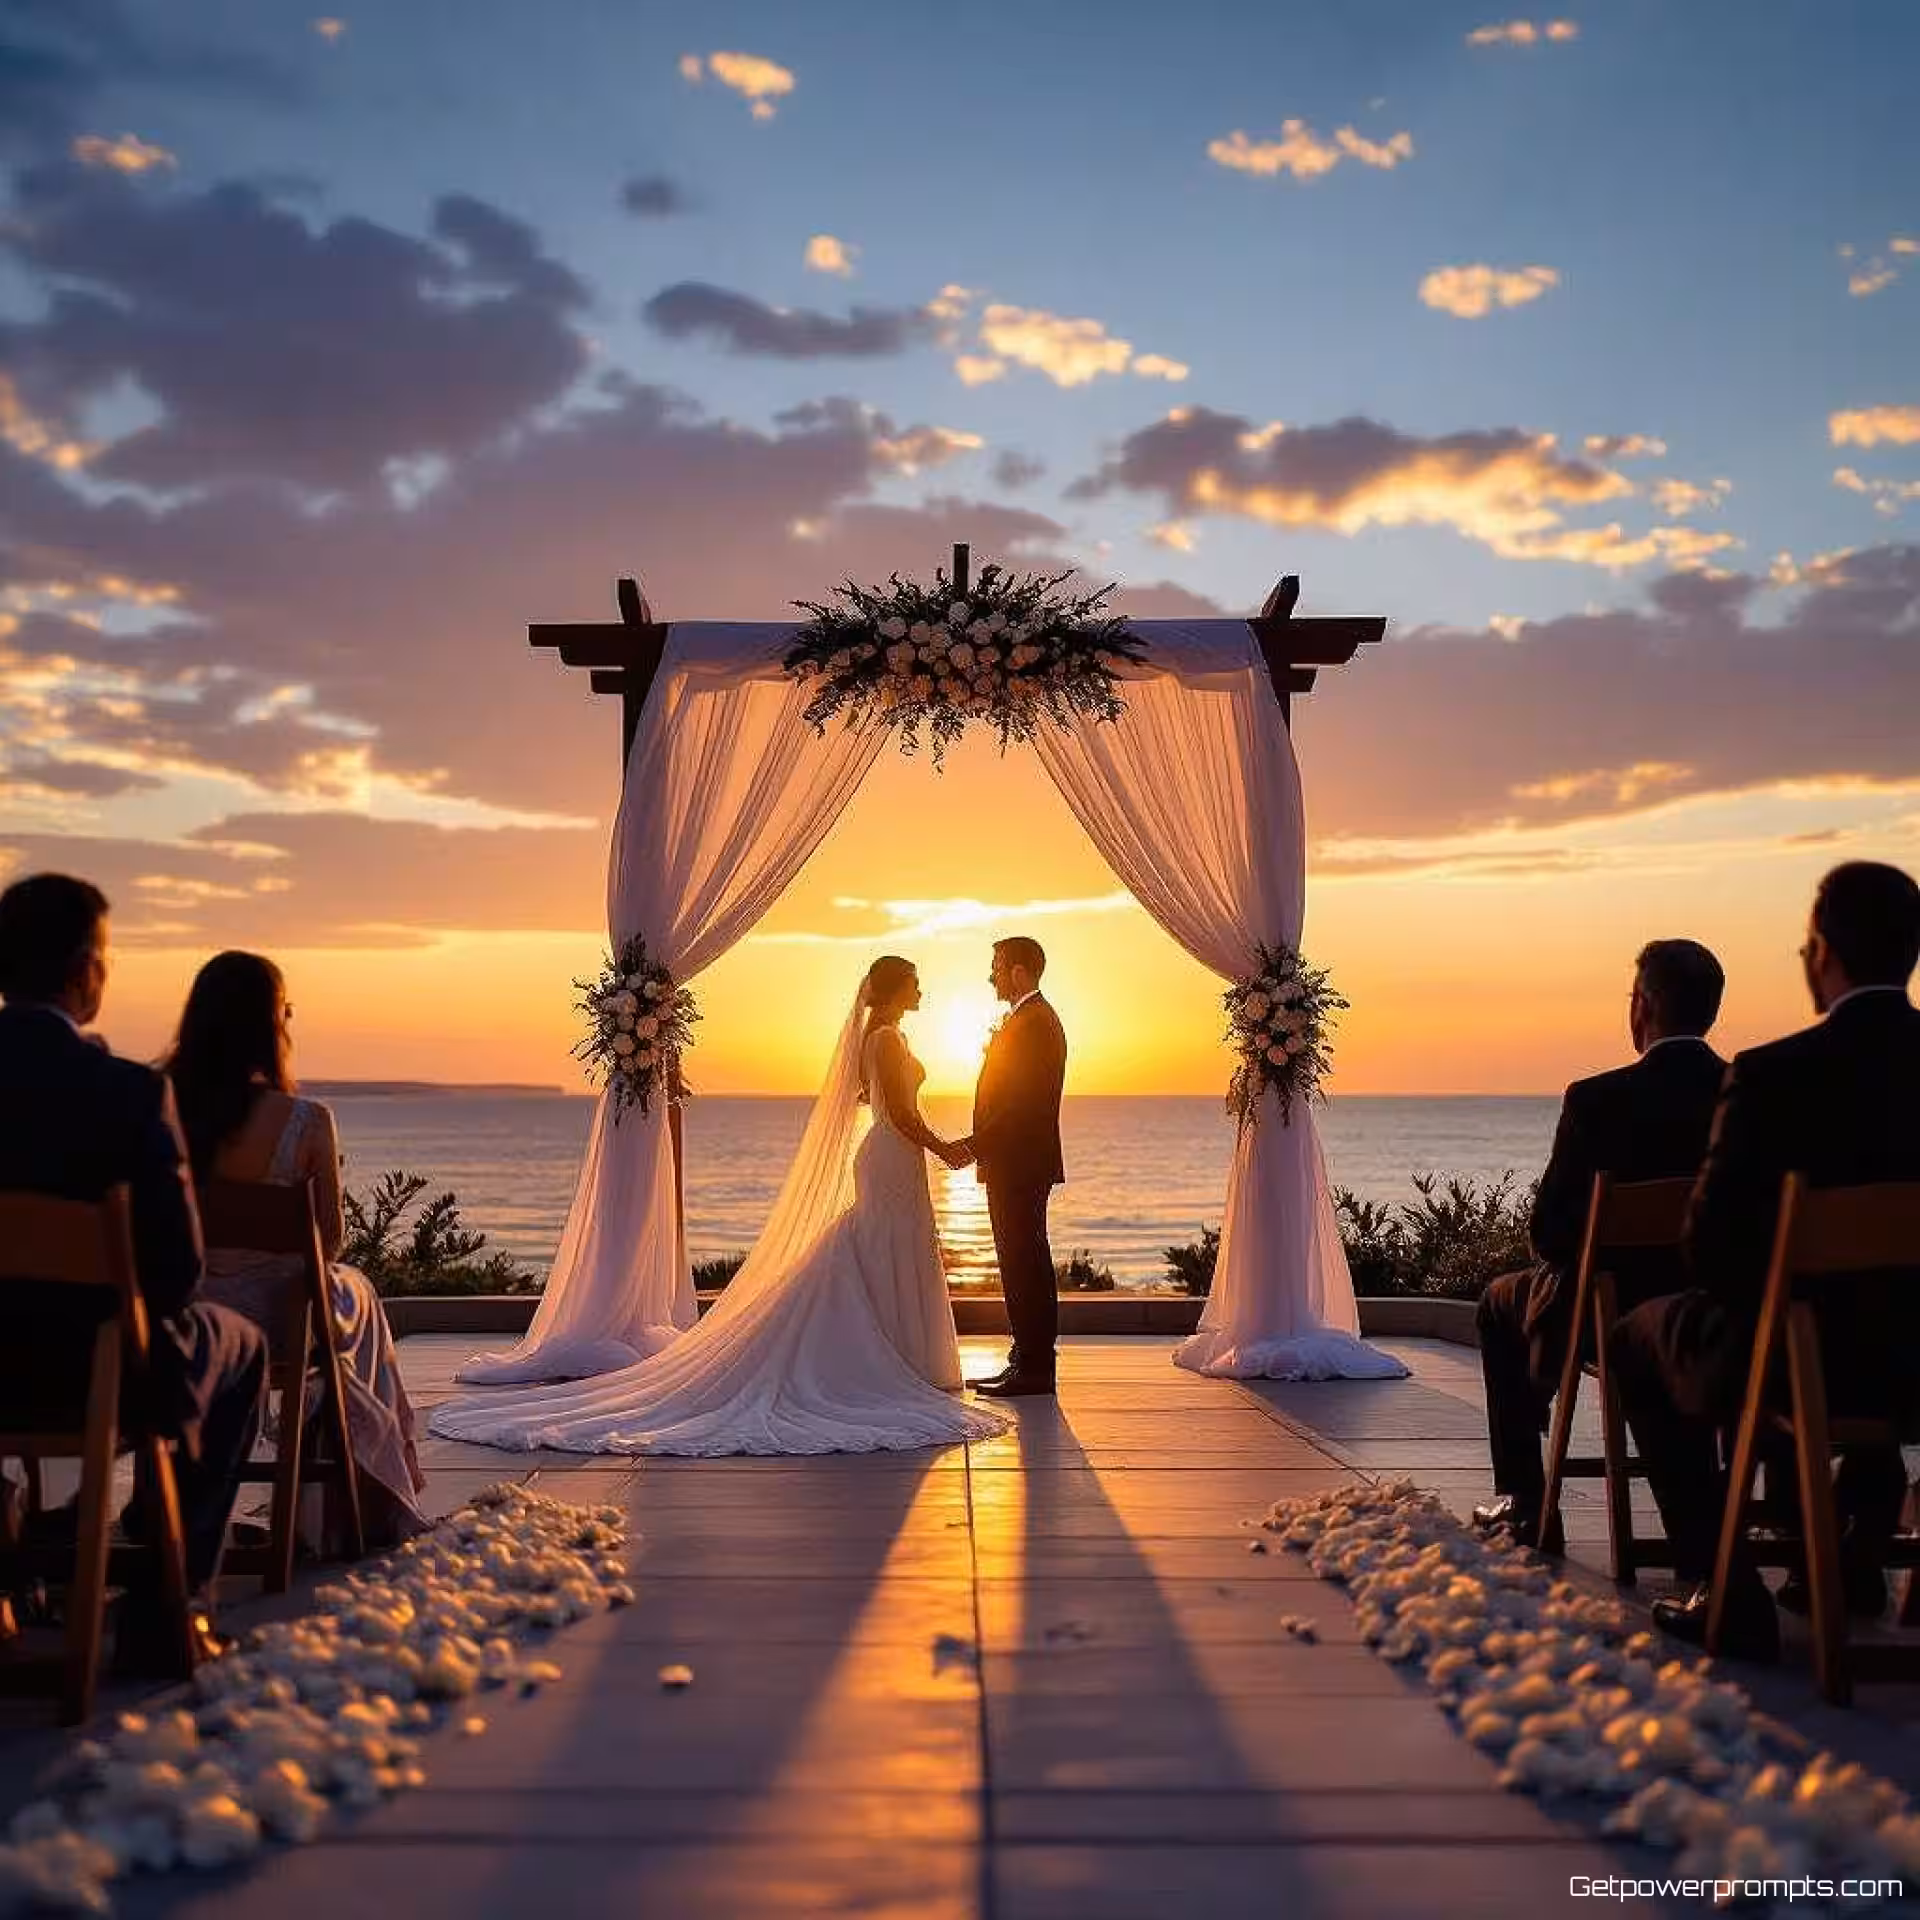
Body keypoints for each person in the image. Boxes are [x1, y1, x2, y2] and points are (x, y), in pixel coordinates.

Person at [427, 956, 1011, 1455]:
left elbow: (868, 1097)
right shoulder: (884, 1039)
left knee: (889, 1247)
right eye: (913, 980)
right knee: (887, 1246)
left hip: (892, 1152)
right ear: (894, 988)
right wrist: (944, 1147)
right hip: (892, 1152)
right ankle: (891, 1358)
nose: (921, 988)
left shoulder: (883, 1038)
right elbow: (899, 1112)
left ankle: (900, 1355)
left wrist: (917, 1131)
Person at [1612, 863, 1920, 1660]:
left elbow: (1711, 1247)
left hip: (1801, 1363)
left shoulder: (1774, 1075)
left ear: (1823, 953)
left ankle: (1724, 1585)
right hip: (1915, 1364)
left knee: (1635, 1339)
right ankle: (1853, 1545)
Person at [0, 874, 265, 1666]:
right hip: (95, 1372)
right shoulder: (128, 1094)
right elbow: (177, 1274)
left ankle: (32, 1559)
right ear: (85, 970)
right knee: (242, 1346)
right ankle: (166, 1612)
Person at [1471, 939, 1728, 1551]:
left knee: (1497, 1302)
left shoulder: (1596, 1099)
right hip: (1718, 1311)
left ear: (1642, 1006)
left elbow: (1551, 1234)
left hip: (1603, 1315)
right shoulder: (1746, 1092)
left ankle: (1525, 1503)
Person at [164, 951, 427, 1546]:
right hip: (279, 1325)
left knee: (345, 1293)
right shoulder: (305, 1121)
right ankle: (350, 1502)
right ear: (269, 1025)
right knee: (354, 1291)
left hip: (181, 1318)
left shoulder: (159, 1107)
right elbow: (326, 1241)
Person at [964, 937, 1069, 1399]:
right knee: (1019, 1260)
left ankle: (1036, 1368)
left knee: (1025, 1261)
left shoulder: (1034, 1023)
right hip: (1015, 1160)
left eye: (997, 966)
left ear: (1019, 971)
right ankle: (1025, 1358)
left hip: (1020, 1161)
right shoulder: (1027, 1019)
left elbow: (1020, 1105)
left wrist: (973, 1145)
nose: (991, 976)